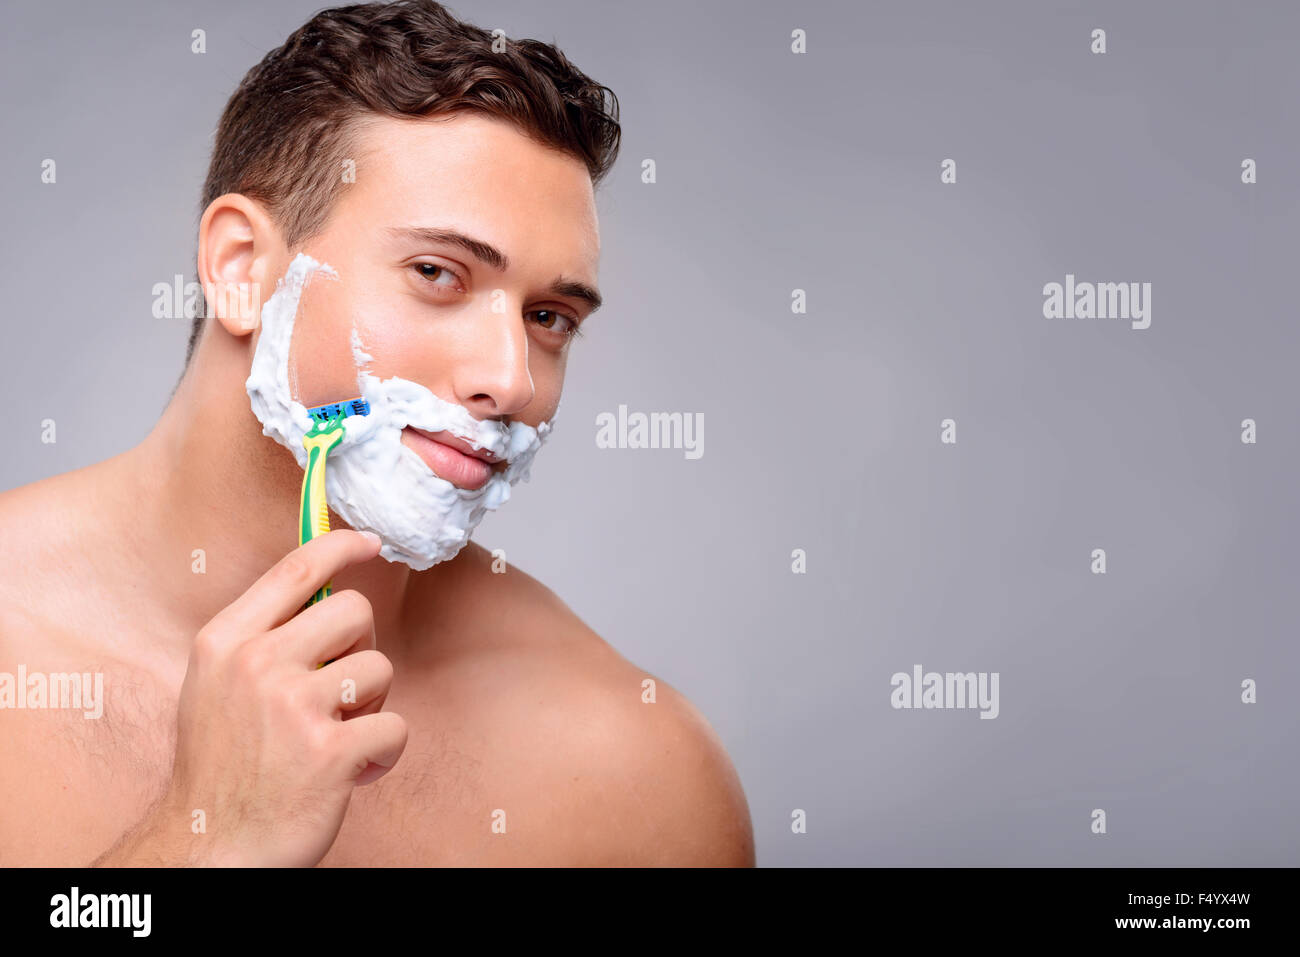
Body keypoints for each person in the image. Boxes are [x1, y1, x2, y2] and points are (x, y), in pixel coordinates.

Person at [0, 0, 754, 867]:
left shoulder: (637, 772)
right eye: (438, 273)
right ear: (243, 268)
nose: (511, 380)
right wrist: (204, 844)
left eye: (549, 317)